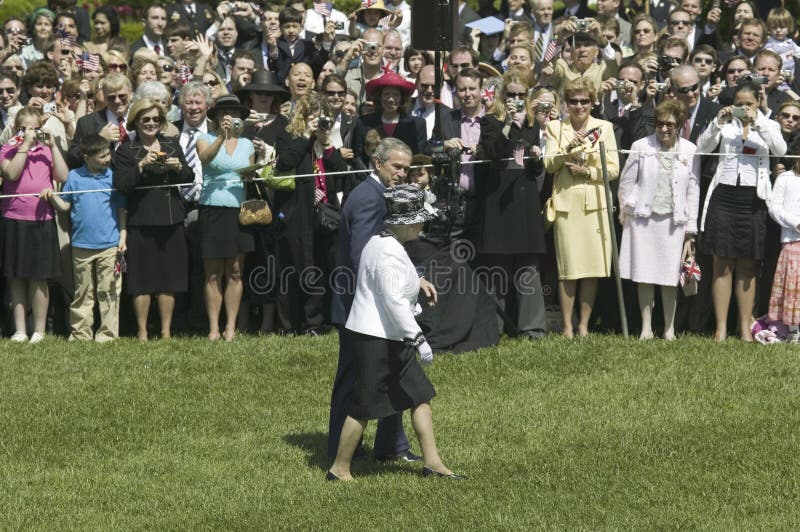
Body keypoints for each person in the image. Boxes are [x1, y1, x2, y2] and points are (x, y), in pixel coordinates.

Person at [328, 184, 463, 482]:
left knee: (420, 395)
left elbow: (397, 284)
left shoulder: (383, 244)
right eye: (421, 219)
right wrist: (417, 339)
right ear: (409, 222)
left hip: (388, 336)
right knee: (363, 406)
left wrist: (418, 282)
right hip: (376, 339)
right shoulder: (387, 250)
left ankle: (433, 463)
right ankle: (339, 469)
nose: (424, 224)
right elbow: (393, 302)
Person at [328, 138, 430, 463]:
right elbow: (364, 258)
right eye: (396, 166)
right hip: (361, 309)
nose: (402, 173)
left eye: (406, 168)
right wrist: (392, 295)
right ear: (377, 163)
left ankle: (391, 447)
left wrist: (413, 277)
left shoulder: (376, 194)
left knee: (391, 375)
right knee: (353, 381)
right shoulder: (369, 199)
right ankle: (340, 452)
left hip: (369, 305)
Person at [696, 81, 787, 342]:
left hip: (753, 199)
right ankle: (721, 328)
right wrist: (719, 121)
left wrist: (757, 123)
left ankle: (745, 327)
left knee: (748, 266)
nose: (744, 109)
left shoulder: (769, 124)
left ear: (758, 102)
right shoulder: (725, 124)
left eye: (749, 104)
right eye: (739, 104)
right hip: (724, 196)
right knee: (721, 264)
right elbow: (703, 148)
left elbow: (780, 150)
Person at [618, 100, 700, 340]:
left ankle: (669, 328)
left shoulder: (690, 149)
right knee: (643, 274)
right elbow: (626, 182)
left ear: (680, 125)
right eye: (660, 124)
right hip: (643, 219)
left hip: (673, 222)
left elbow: (693, 190)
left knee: (668, 276)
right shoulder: (640, 146)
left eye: (670, 125)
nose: (664, 129)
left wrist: (691, 231)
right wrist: (625, 210)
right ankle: (646, 328)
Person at [113, 97, 194, 341]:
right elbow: (122, 186)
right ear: (136, 121)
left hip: (171, 219)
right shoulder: (127, 149)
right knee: (142, 280)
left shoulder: (171, 144)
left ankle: (166, 331)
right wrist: (140, 165)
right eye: (145, 119)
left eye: (156, 119)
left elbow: (189, 178)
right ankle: (142, 331)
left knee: (169, 279)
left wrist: (178, 167)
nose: (151, 123)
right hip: (142, 220)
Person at [544, 77, 619, 337]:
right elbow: (549, 165)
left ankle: (584, 326)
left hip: (595, 203)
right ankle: (567, 326)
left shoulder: (604, 127)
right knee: (568, 269)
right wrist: (567, 149)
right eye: (573, 101)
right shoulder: (555, 127)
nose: (579, 106)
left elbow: (614, 168)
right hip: (566, 204)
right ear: (566, 103)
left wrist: (587, 171)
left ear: (592, 102)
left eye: (584, 101)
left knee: (592, 268)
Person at [476, 67, 548, 339]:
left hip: (525, 198)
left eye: (521, 95)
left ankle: (534, 328)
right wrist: (508, 125)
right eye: (511, 94)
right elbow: (494, 153)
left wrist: (537, 157)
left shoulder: (532, 123)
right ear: (502, 94)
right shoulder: (491, 121)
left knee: (528, 266)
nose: (516, 99)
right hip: (498, 200)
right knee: (497, 267)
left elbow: (533, 168)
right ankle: (494, 328)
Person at [273, 91, 349, 335]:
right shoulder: (290, 136)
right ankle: (288, 324)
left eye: (322, 117)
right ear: (303, 117)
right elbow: (286, 161)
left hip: (324, 215)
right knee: (293, 267)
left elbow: (340, 169)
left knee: (318, 267)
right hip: (297, 213)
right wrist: (306, 135)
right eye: (314, 117)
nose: (319, 122)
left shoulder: (325, 141)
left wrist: (326, 142)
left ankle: (314, 324)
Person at [40, 134, 127, 342]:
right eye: (102, 156)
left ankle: (107, 334)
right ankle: (81, 334)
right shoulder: (74, 177)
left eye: (108, 154)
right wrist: (52, 197)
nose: (107, 159)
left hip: (109, 244)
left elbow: (122, 210)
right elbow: (66, 207)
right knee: (83, 292)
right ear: (87, 157)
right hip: (81, 245)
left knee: (109, 291)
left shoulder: (114, 177)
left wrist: (123, 236)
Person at [195, 94, 260, 342]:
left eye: (234, 112)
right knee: (212, 272)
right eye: (225, 112)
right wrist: (221, 138)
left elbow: (249, 175)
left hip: (238, 209)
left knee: (235, 271)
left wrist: (253, 173)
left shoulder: (247, 145)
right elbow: (204, 158)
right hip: (212, 208)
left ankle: (230, 327)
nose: (229, 116)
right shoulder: (206, 138)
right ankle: (213, 328)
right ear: (217, 117)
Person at [0, 107, 68, 343]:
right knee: (16, 276)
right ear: (17, 129)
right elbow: (11, 174)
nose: (30, 132)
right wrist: (24, 145)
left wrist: (53, 145)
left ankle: (39, 330)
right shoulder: (8, 148)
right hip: (14, 218)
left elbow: (63, 176)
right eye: (24, 128)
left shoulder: (47, 149)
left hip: (42, 220)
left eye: (34, 128)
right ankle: (20, 330)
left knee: (39, 277)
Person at [351, 71, 427, 169]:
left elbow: (418, 157)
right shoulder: (363, 122)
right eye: (386, 94)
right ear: (379, 97)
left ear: (402, 98)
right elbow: (357, 156)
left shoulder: (416, 124)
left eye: (395, 94)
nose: (391, 99)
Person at [767, 164, 800, 342]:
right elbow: (774, 208)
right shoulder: (785, 178)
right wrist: (796, 223)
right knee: (793, 288)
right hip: (792, 240)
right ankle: (793, 330)